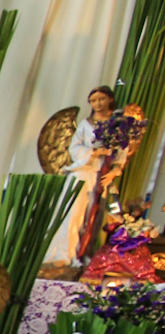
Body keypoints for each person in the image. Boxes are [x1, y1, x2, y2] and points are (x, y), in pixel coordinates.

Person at [53, 86, 146, 272]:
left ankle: (85, 253)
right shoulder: (85, 125)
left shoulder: (119, 125)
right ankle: (65, 253)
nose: (97, 103)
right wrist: (93, 152)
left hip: (102, 177)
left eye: (101, 99)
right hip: (83, 171)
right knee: (74, 213)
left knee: (94, 216)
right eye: (93, 100)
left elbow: (121, 152)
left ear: (110, 100)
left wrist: (114, 170)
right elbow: (74, 148)